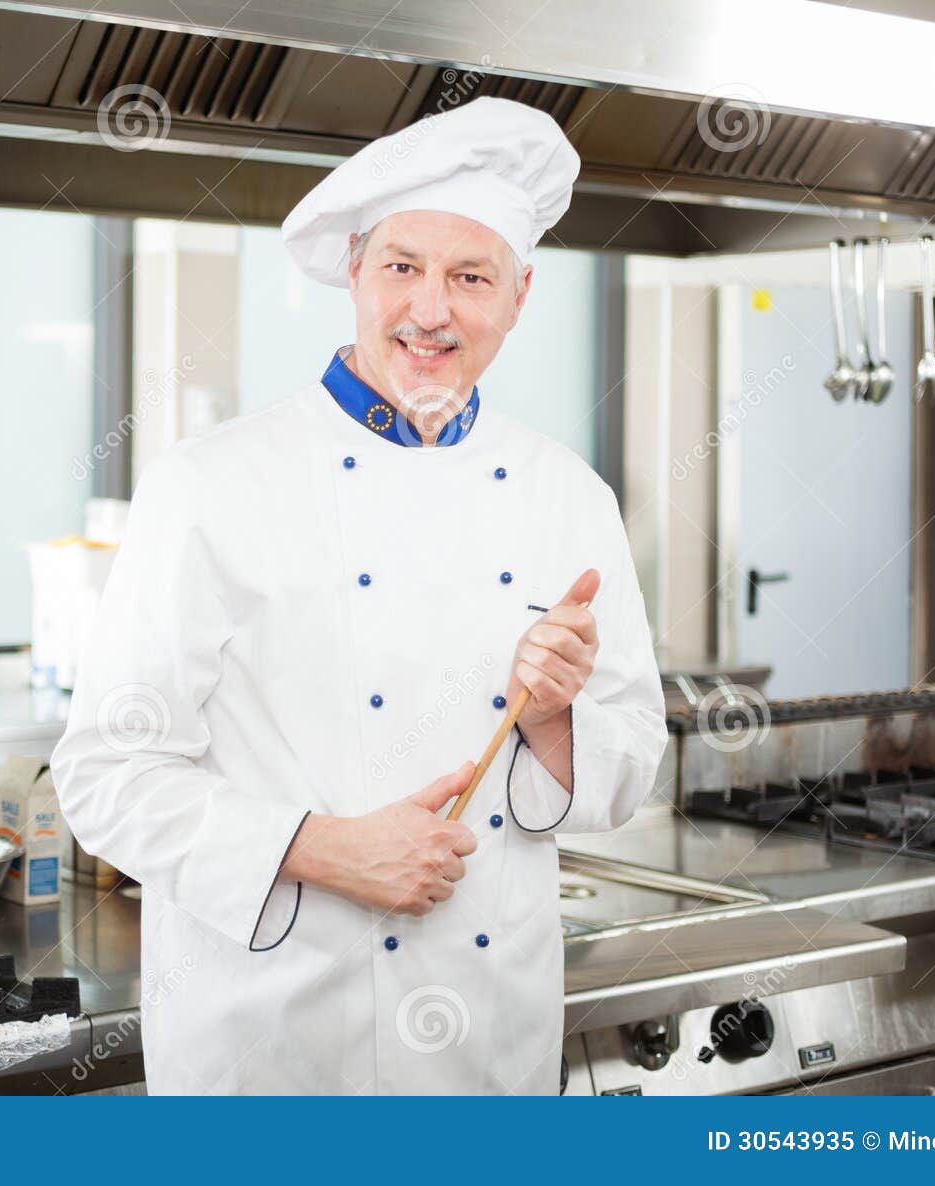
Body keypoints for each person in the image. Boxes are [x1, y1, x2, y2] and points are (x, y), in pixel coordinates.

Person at [52, 96, 667, 1094]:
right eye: (401, 268)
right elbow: (105, 774)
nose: (430, 311)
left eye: (470, 277)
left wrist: (554, 721)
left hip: (486, 1049)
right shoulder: (210, 485)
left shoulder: (569, 495)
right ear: (354, 272)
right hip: (268, 1048)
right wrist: (323, 847)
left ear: (519, 293)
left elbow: (630, 759)